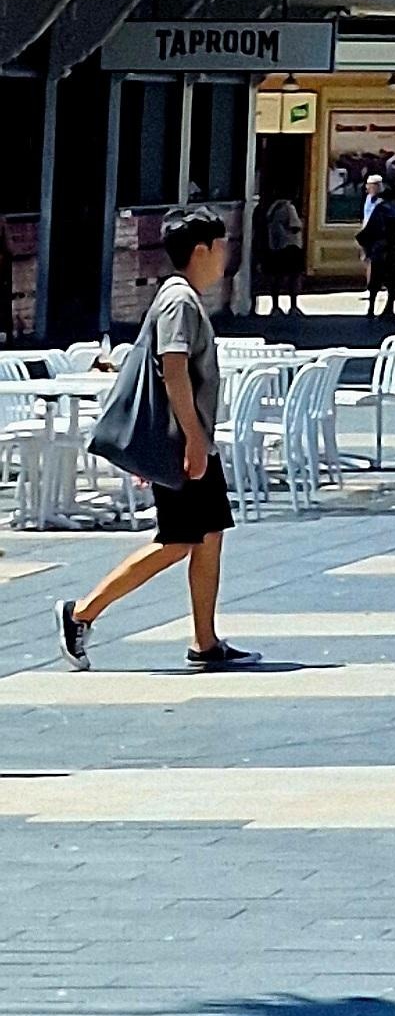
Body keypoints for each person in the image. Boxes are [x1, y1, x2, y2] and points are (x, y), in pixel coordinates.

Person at [55, 207, 256, 673]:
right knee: (179, 540)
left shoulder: (181, 297)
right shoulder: (179, 300)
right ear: (201, 250)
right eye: (221, 245)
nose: (226, 254)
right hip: (185, 442)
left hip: (190, 440)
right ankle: (81, 612)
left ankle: (205, 642)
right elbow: (173, 368)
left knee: (208, 536)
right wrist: (191, 440)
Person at [359, 173, 395, 331]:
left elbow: (370, 229)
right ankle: (388, 308)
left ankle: (373, 309)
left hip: (382, 249)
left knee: (377, 279)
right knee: (393, 281)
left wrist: (367, 246)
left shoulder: (382, 208)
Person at [254, 184, 307, 328]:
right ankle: (293, 306)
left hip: (275, 246)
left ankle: (275, 306)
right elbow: (295, 227)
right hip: (291, 246)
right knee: (294, 277)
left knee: (276, 278)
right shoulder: (289, 207)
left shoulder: (271, 208)